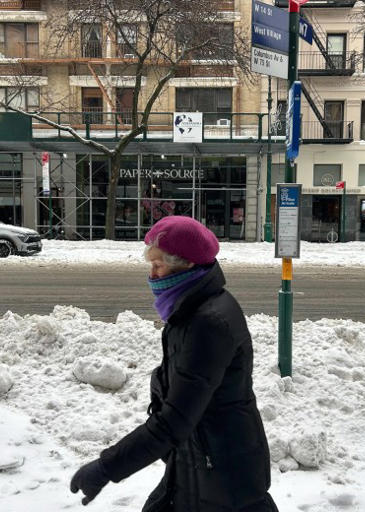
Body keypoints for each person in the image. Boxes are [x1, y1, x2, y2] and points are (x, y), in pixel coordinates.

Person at [70, 215, 277, 511]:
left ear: (187, 264)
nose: (152, 275)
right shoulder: (190, 308)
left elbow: (173, 421)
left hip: (222, 471)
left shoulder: (208, 322)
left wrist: (106, 468)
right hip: (199, 458)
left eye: (158, 265)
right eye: (150, 265)